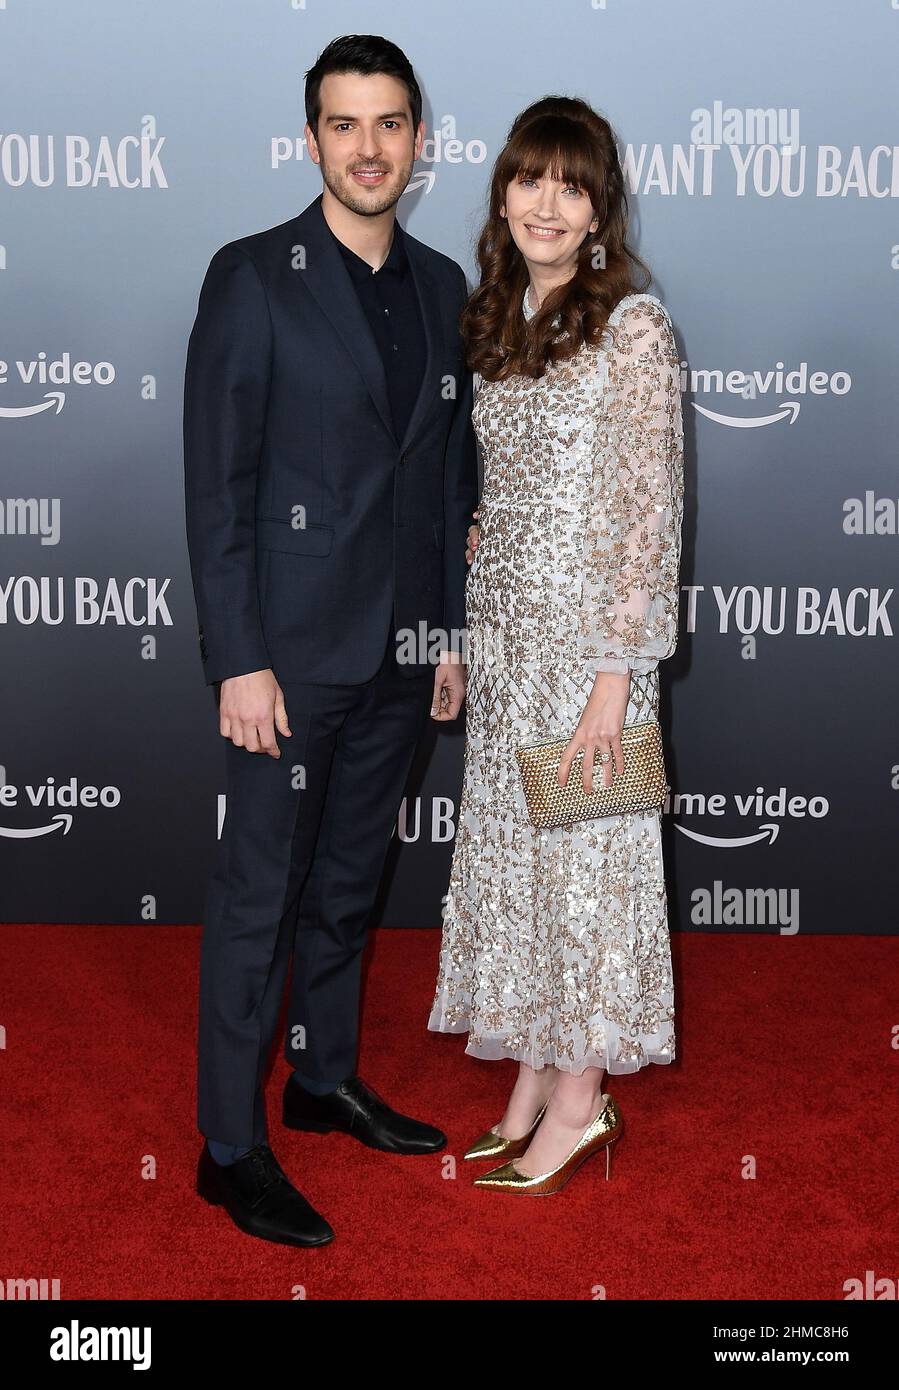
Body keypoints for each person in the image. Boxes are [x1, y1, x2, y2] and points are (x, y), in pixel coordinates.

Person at [183, 34, 478, 1247]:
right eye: (344, 125)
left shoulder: (444, 284)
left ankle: (319, 1081)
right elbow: (219, 485)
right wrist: (236, 658)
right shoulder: (253, 275)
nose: (368, 148)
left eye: (390, 123)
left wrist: (447, 640)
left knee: (350, 889)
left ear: (419, 140)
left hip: (404, 652)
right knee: (262, 897)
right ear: (310, 140)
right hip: (289, 660)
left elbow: (445, 480)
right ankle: (227, 1147)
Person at [428, 96, 685, 1194]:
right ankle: (534, 1070)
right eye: (528, 180)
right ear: (501, 196)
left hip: (590, 656)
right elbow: (509, 487)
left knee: (585, 872)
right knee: (521, 866)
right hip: (507, 641)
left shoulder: (630, 324)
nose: (544, 203)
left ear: (597, 211)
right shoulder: (498, 321)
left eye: (569, 186)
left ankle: (580, 1104)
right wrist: (481, 577)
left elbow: (642, 516)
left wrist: (612, 685)